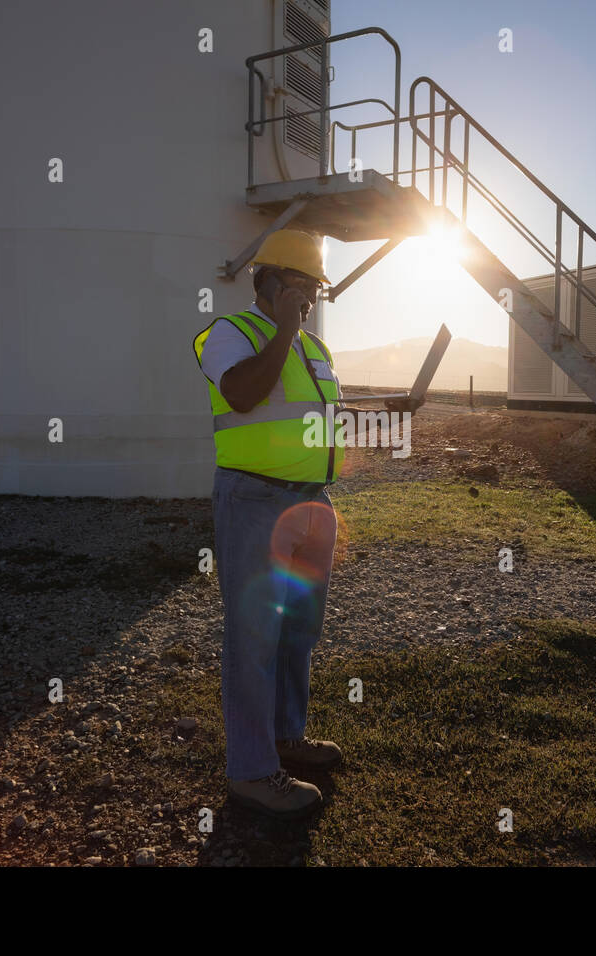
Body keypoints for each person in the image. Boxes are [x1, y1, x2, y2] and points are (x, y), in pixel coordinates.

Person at [191, 228, 420, 819]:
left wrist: (387, 413)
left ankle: (287, 736)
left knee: (298, 631)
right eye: (300, 286)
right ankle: (250, 770)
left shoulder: (315, 350)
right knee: (254, 640)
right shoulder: (228, 334)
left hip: (312, 503)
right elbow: (242, 395)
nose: (310, 299)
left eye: (315, 289)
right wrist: (287, 328)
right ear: (267, 282)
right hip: (254, 501)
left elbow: (321, 421)